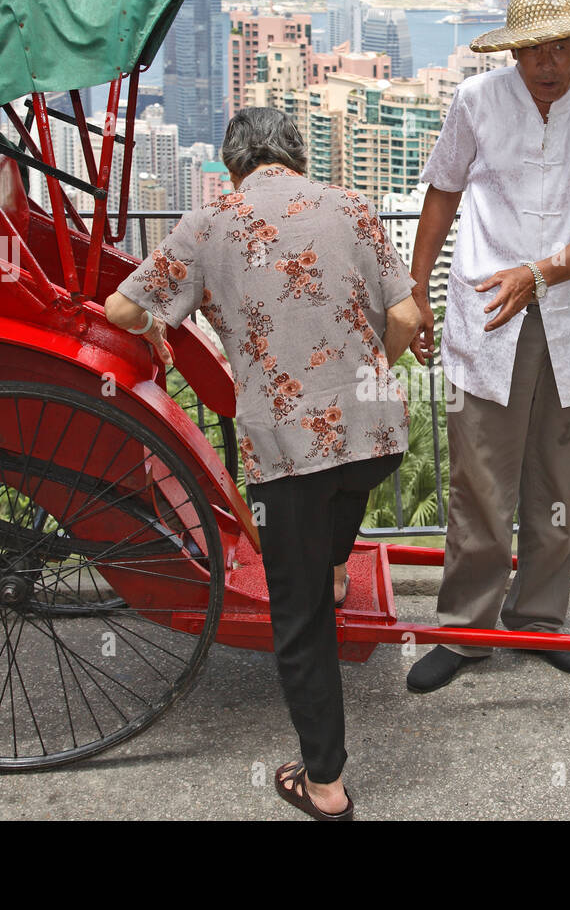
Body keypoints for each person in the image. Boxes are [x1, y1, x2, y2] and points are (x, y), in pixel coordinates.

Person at [106, 107, 421, 820]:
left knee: (300, 616)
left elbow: (120, 308)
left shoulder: (209, 222)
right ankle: (336, 564)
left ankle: (326, 786)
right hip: (376, 435)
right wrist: (368, 376)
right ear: (298, 158)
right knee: (344, 495)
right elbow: (404, 319)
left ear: (231, 164)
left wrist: (161, 324)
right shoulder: (353, 205)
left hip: (286, 453)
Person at [405, 0, 570, 692]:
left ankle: (540, 619)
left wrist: (536, 273)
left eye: (557, 48)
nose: (545, 63)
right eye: (531, 50)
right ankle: (467, 629)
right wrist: (416, 290)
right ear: (513, 52)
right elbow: (443, 189)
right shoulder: (477, 102)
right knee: (478, 477)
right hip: (487, 310)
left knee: (557, 479)